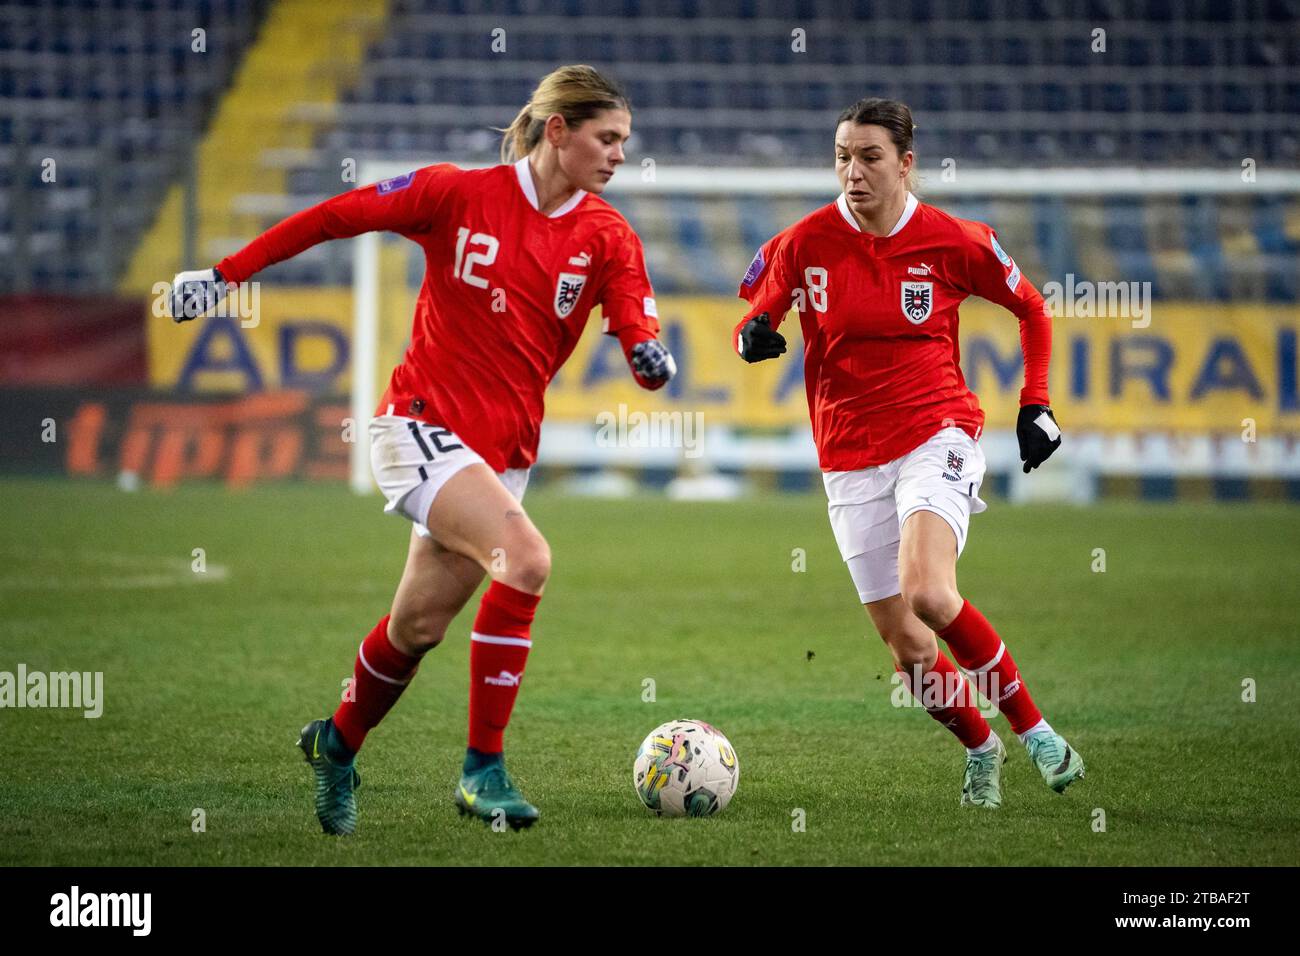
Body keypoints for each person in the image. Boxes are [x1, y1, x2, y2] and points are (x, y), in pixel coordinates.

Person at [169, 65, 676, 833]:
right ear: (559, 131)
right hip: (415, 427)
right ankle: (483, 772)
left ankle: (334, 745)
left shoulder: (607, 235)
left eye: (625, 143)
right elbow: (336, 216)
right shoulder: (455, 193)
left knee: (417, 629)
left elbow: (637, 320)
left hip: (501, 454)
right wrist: (226, 275)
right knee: (529, 560)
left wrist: (647, 355)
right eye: (607, 138)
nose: (618, 156)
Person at [734, 96, 1084, 808]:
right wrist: (752, 336)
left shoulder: (956, 241)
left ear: (905, 164)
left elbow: (1033, 308)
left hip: (936, 433)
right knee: (909, 649)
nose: (852, 172)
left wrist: (1036, 402)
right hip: (848, 456)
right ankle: (981, 748)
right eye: (841, 156)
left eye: (868, 157)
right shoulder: (803, 243)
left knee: (929, 590)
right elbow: (757, 314)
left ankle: (1035, 730)